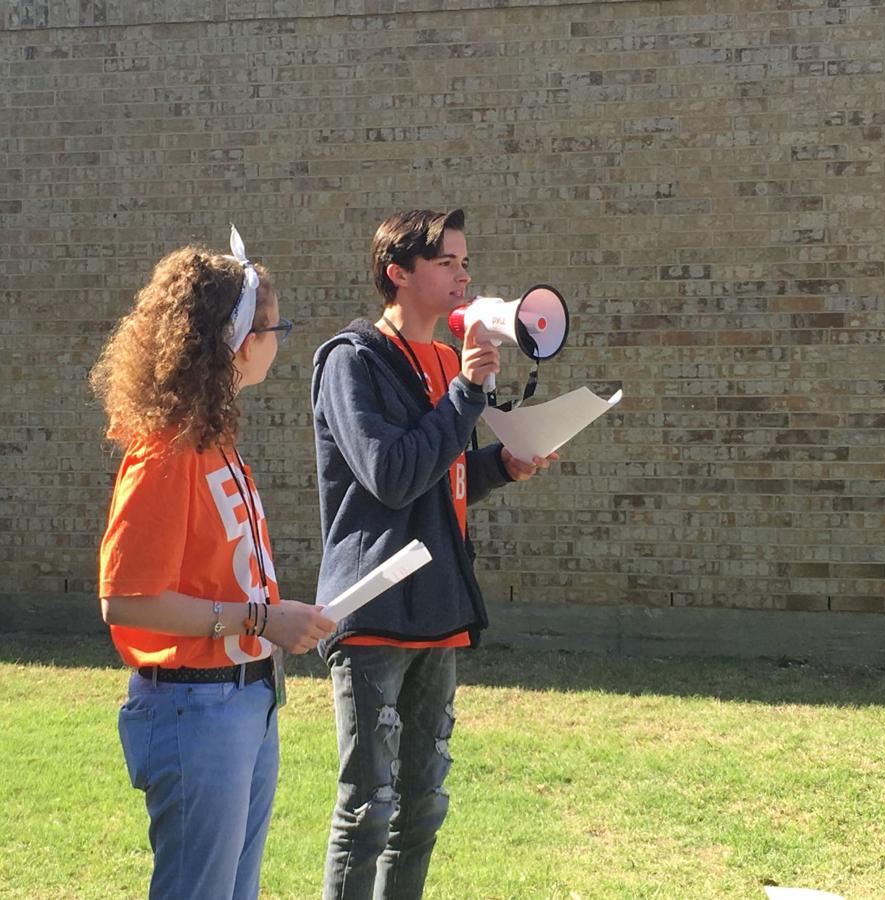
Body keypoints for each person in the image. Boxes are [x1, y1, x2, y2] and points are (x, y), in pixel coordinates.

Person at [311, 208, 556, 899]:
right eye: (447, 262)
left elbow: (438, 480)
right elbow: (391, 475)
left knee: (421, 809)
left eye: (464, 261)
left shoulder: (449, 362)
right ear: (398, 273)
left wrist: (503, 467)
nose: (464, 275)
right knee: (369, 808)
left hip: (438, 607)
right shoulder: (351, 362)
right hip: (375, 609)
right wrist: (468, 394)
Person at [92, 228, 336, 900]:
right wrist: (261, 617)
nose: (278, 339)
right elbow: (127, 601)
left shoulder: (213, 441)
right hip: (196, 710)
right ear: (235, 341)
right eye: (271, 325)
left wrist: (272, 627)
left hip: (244, 700)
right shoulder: (166, 455)